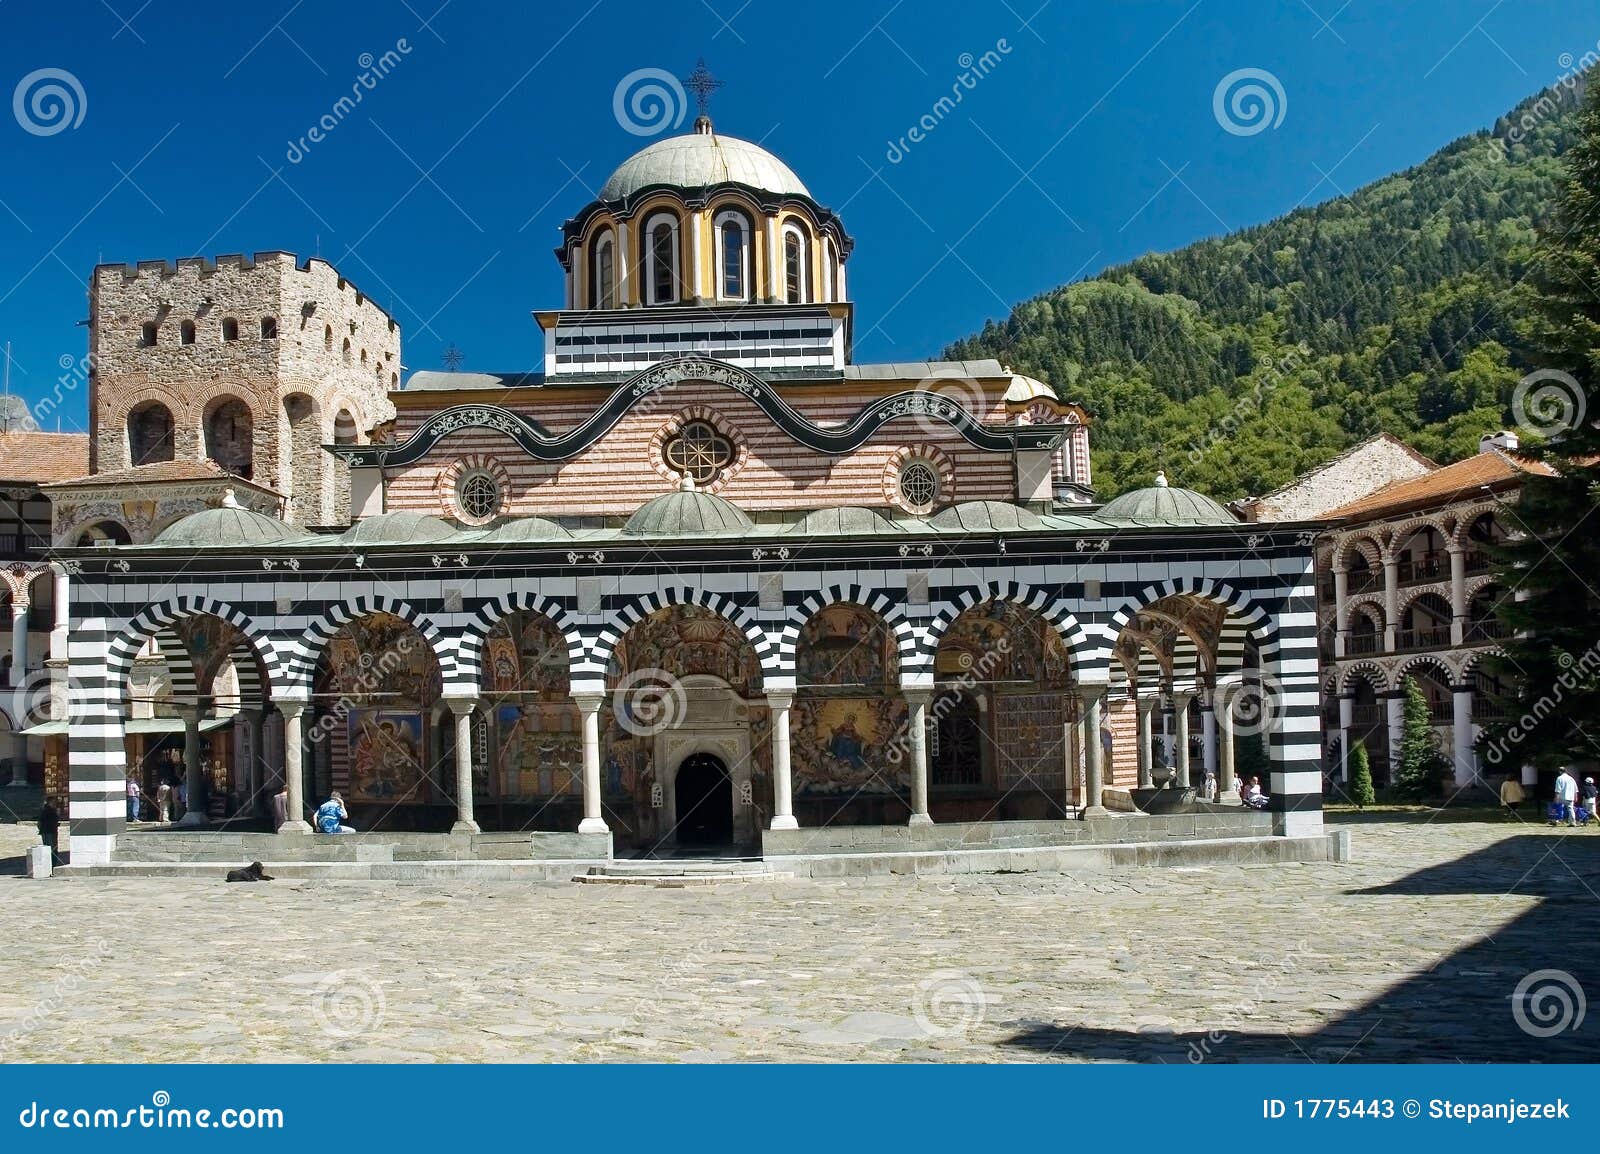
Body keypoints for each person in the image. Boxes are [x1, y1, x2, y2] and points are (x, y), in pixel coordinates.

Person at [36, 800, 60, 865]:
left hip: (45, 831)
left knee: (47, 847)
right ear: (50, 803)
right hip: (50, 831)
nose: (55, 804)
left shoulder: (43, 810)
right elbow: (54, 820)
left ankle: (49, 862)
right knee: (52, 848)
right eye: (53, 803)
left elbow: (39, 822)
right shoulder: (51, 811)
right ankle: (52, 862)